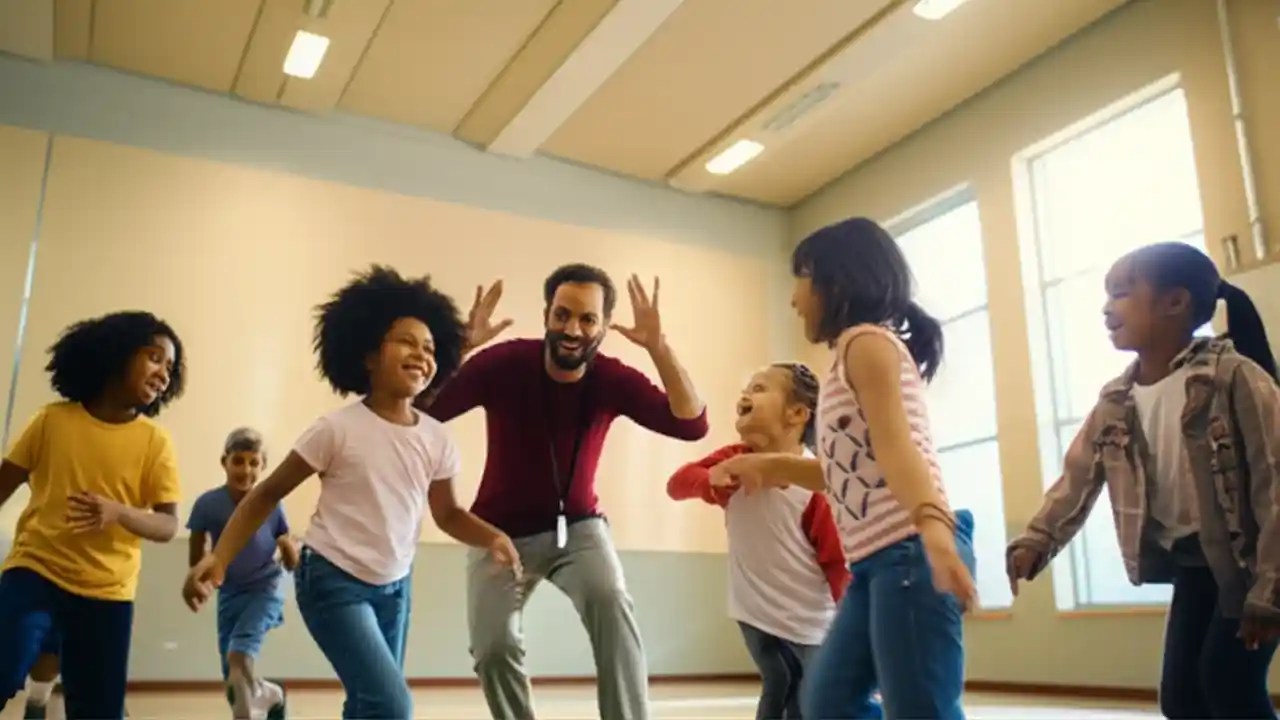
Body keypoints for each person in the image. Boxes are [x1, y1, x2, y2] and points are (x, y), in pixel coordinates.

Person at [183, 266, 520, 720]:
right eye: (405, 341)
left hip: (395, 586)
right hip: (332, 581)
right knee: (393, 704)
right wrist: (219, 557)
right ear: (367, 356)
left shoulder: (437, 438)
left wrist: (493, 537)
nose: (421, 353)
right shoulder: (336, 430)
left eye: (430, 347)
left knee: (367, 705)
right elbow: (265, 495)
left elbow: (449, 514)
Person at [707, 217, 978, 720]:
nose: (794, 298)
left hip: (909, 551)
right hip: (876, 563)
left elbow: (898, 448)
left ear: (838, 281)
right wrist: (766, 463)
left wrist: (933, 528)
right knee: (826, 701)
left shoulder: (865, 343)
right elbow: (841, 473)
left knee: (921, 708)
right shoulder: (842, 364)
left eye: (801, 278)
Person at [420, 264, 708, 720]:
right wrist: (463, 347)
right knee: (493, 647)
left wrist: (659, 347)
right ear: (547, 314)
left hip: (579, 528)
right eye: (563, 314)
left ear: (604, 327)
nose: (573, 329)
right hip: (496, 530)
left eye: (587, 319)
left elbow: (691, 424)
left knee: (612, 603)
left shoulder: (611, 378)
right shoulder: (506, 363)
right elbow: (424, 410)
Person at [1007, 242, 1280, 719]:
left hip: (1258, 563)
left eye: (1121, 293)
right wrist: (1039, 538)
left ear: (1175, 302)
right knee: (1180, 698)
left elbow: (1274, 483)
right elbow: (1077, 476)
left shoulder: (1234, 377)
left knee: (1227, 680)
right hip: (1196, 564)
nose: (1107, 307)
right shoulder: (1117, 398)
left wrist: (1271, 587)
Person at [0, 311, 186, 720]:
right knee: (6, 662)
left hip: (107, 592)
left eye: (170, 368)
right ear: (115, 354)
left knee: (98, 711)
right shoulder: (52, 421)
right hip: (35, 571)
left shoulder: (154, 443)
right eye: (154, 357)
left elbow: (169, 524)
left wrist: (120, 512)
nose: (163, 374)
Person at [666, 362, 848, 720]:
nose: (746, 394)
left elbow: (835, 562)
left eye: (760, 388)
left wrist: (851, 624)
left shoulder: (813, 485)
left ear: (797, 413)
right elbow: (677, 483)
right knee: (781, 678)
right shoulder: (735, 460)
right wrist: (709, 480)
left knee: (806, 697)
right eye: (747, 388)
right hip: (753, 611)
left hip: (809, 621)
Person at [187, 427, 299, 720]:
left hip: (267, 587)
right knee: (232, 678)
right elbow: (197, 554)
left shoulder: (271, 503)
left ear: (262, 467)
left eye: (254, 462)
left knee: (239, 654)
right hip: (230, 592)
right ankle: (269, 693)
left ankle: (251, 709)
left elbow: (286, 546)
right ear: (224, 461)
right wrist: (198, 583)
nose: (245, 469)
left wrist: (289, 547)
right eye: (238, 461)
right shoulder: (207, 505)